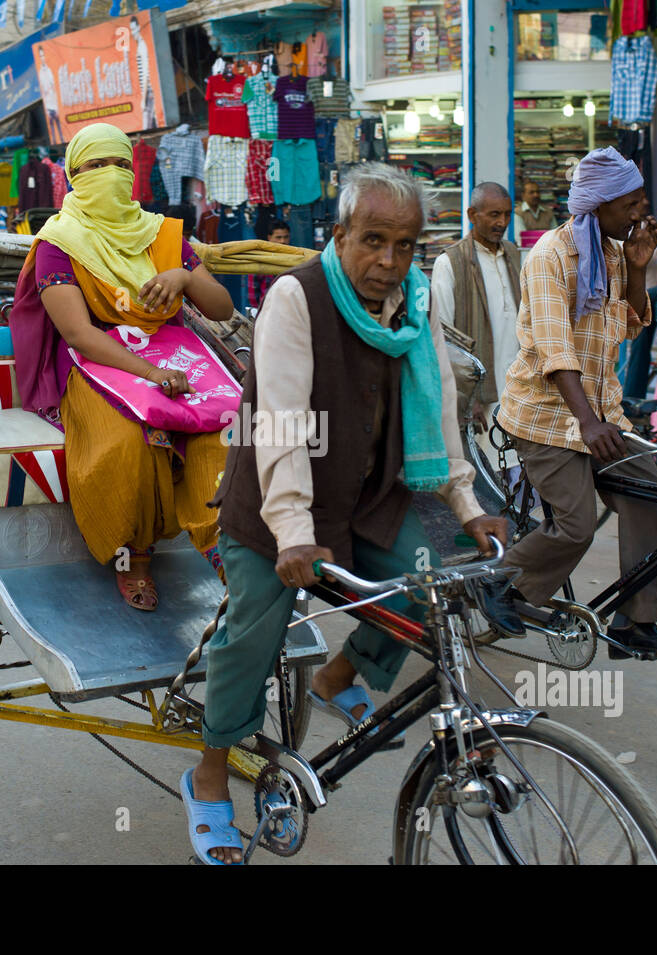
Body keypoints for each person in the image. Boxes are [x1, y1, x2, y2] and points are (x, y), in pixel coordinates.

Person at [184, 163, 508, 864]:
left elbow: (441, 411)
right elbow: (280, 424)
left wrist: (466, 503)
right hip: (276, 501)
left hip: (370, 495)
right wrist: (295, 534)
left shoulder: (415, 303)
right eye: (372, 240)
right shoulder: (295, 300)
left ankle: (338, 676)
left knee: (440, 586)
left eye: (403, 245)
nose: (387, 262)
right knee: (252, 634)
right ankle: (210, 769)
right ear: (339, 234)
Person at [8, 123, 235, 610]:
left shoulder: (163, 235)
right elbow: (78, 334)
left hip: (173, 358)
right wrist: (150, 376)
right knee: (128, 439)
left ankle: (222, 546)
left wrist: (183, 276)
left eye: (119, 165)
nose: (109, 174)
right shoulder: (59, 242)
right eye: (95, 166)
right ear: (73, 176)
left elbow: (221, 308)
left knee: (221, 427)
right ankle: (135, 555)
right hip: (96, 364)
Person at [480, 147, 657, 661]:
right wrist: (587, 423)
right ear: (599, 205)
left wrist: (638, 269)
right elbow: (554, 346)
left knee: (654, 497)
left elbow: (630, 325)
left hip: (600, 412)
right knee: (575, 524)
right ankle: (499, 584)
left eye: (641, 201)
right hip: (548, 416)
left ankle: (635, 622)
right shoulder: (550, 254)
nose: (639, 214)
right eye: (629, 205)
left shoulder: (612, 252)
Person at [431, 182, 522, 427]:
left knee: (515, 462)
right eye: (494, 214)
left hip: (517, 392)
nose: (502, 222)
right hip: (479, 400)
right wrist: (467, 398)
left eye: (507, 214)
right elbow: (442, 337)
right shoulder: (450, 263)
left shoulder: (513, 255)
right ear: (472, 215)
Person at [245, 219, 290, 313]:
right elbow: (253, 296)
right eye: (278, 237)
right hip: (267, 312)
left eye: (286, 237)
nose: (283, 241)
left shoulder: (295, 258)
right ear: (269, 238)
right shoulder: (261, 260)